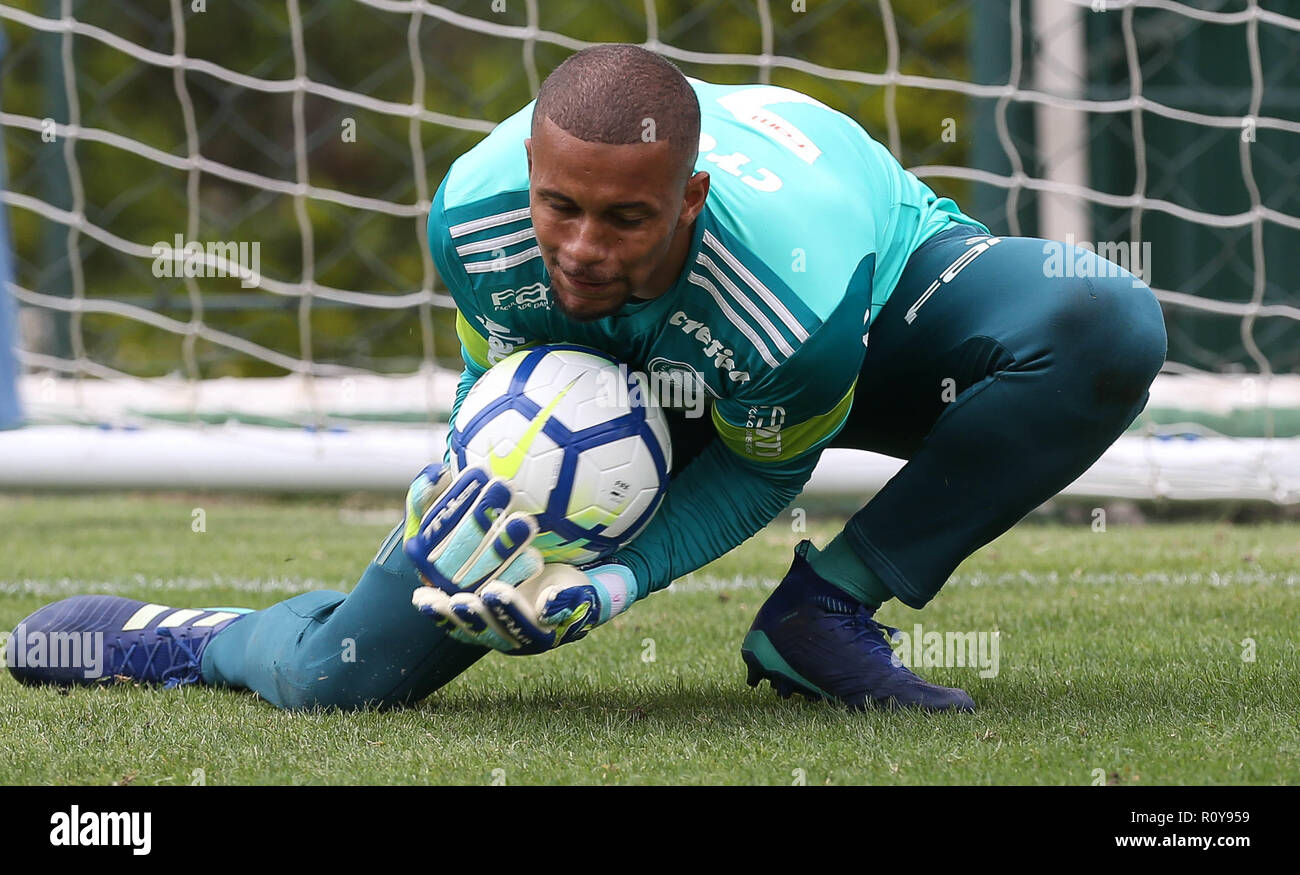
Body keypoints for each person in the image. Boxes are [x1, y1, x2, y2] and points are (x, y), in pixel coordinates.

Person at [7, 44, 1166, 713]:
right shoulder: (472, 221)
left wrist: (616, 582)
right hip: (643, 374)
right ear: (526, 177)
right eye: (560, 206)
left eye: (626, 218)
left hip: (865, 316)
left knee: (1101, 318)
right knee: (339, 684)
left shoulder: (785, 294)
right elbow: (502, 384)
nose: (582, 248)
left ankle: (821, 614)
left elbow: (770, 470)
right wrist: (465, 476)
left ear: (689, 203)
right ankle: (191, 633)